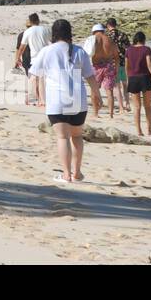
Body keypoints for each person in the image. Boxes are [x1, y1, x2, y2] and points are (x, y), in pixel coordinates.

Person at [29, 19, 99, 183]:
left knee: (62, 138)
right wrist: (97, 94)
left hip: (57, 101)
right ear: (69, 33)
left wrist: (35, 96)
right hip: (78, 101)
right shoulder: (79, 51)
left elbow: (34, 75)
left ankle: (66, 174)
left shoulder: (47, 51)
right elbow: (90, 76)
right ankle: (77, 173)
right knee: (77, 136)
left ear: (54, 33)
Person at [13, 13, 51, 106]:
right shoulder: (46, 29)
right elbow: (53, 42)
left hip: (35, 59)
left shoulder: (28, 32)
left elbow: (21, 47)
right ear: (38, 20)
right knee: (42, 80)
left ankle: (38, 100)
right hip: (46, 57)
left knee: (35, 79)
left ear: (30, 21)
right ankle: (40, 100)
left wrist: (18, 58)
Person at [124, 31, 151, 136]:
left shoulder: (128, 50)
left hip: (133, 78)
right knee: (147, 106)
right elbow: (149, 64)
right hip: (145, 78)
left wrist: (128, 78)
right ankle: (149, 129)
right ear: (143, 39)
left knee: (137, 107)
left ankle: (139, 131)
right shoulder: (146, 49)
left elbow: (126, 66)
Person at [89, 23, 118, 118]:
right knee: (109, 91)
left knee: (94, 90)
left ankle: (95, 113)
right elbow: (116, 56)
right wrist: (116, 69)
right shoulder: (109, 40)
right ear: (103, 31)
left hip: (96, 67)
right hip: (108, 66)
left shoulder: (92, 39)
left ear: (94, 31)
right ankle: (111, 114)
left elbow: (86, 53)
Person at [106, 17, 130, 110]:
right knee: (124, 84)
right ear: (115, 24)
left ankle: (121, 107)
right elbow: (128, 48)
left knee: (117, 86)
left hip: (112, 62)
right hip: (123, 61)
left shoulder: (107, 36)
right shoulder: (123, 34)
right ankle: (127, 103)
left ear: (108, 25)